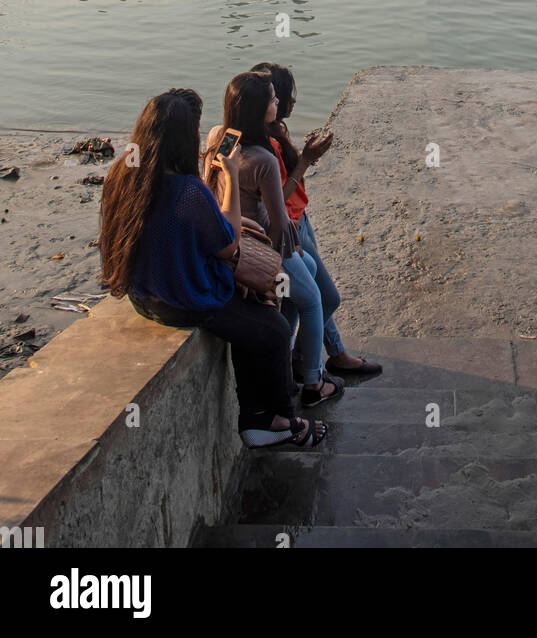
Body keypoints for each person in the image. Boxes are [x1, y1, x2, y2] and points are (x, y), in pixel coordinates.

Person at [99, 88, 326, 449]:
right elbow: (228, 244)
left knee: (253, 321)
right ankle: (282, 421)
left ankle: (258, 418)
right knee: (274, 328)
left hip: (142, 293)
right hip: (180, 299)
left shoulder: (123, 174)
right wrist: (231, 176)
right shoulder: (187, 190)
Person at [204, 71, 344, 408]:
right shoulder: (264, 160)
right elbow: (279, 223)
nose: (278, 102)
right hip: (264, 248)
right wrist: (293, 250)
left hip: (237, 238)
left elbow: (211, 180)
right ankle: (313, 382)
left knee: (305, 277)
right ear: (258, 109)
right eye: (272, 99)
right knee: (314, 301)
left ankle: (293, 365)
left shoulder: (221, 138)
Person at [253, 60, 382, 379]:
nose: (293, 101)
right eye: (284, 96)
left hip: (298, 220)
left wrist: (303, 154)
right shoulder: (261, 145)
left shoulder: (277, 132)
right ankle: (305, 369)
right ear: (273, 100)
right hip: (287, 228)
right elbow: (275, 200)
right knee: (322, 298)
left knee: (305, 297)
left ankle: (330, 354)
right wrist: (306, 160)